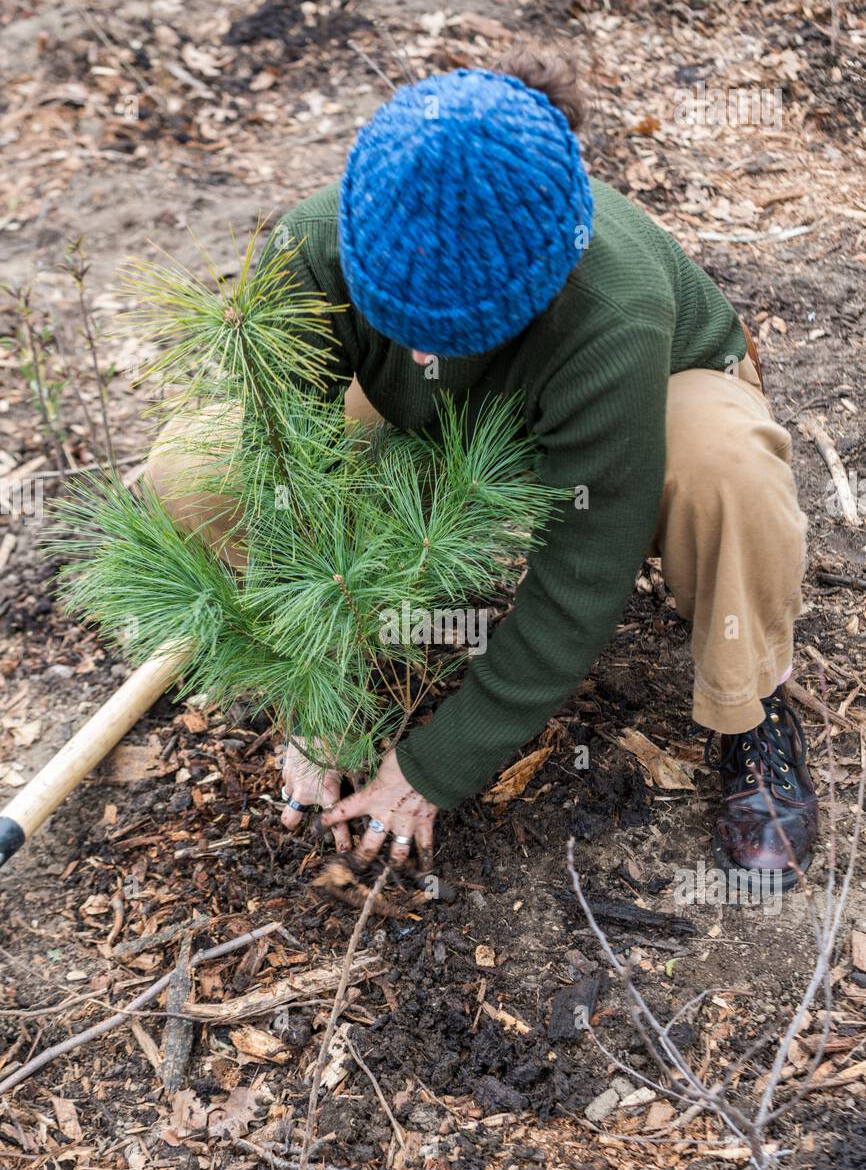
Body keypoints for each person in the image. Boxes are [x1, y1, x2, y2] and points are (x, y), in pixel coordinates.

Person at [148, 51, 816, 892]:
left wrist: (433, 767)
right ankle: (381, 625)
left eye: (450, 329)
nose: (421, 350)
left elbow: (585, 567)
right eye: (401, 319)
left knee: (730, 473)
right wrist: (316, 700)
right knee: (191, 470)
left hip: (653, 410)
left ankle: (749, 709)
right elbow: (285, 475)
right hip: (440, 425)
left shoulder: (612, 305)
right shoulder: (317, 243)